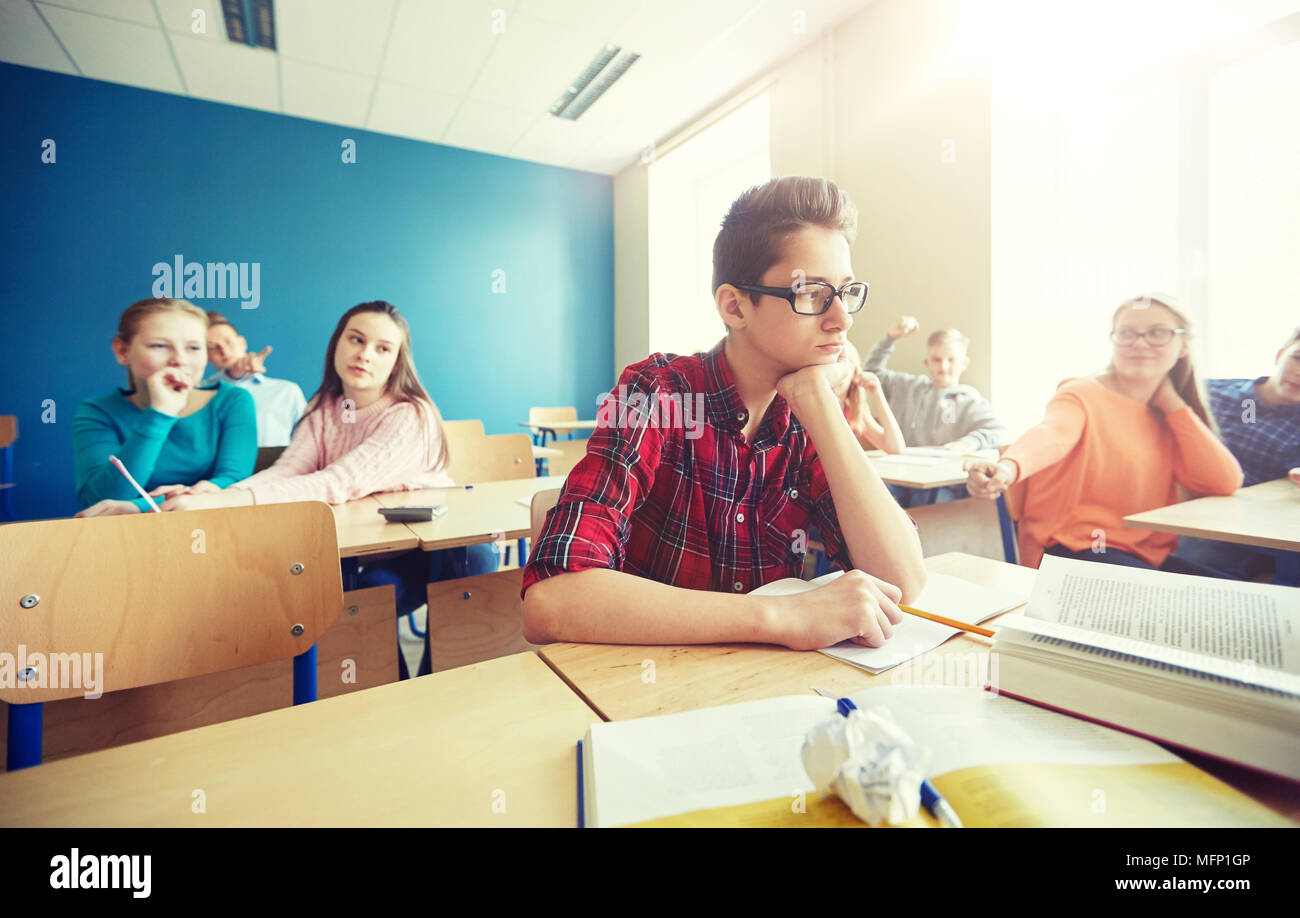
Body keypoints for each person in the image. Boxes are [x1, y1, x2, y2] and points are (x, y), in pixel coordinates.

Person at [521, 176, 927, 652]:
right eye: (813, 294)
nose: (843, 320)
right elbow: (551, 600)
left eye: (846, 292)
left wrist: (822, 405)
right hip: (640, 686)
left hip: (760, 689)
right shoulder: (657, 395)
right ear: (735, 306)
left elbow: (903, 581)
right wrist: (780, 616)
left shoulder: (807, 414)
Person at [161, 301, 497, 677]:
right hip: (368, 549)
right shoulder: (324, 406)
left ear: (396, 361)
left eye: (382, 348)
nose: (364, 354)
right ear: (337, 343)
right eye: (356, 339)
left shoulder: (409, 413)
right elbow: (288, 470)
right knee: (358, 595)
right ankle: (392, 691)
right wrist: (213, 496)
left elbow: (339, 481)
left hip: (433, 553)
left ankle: (445, 684)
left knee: (466, 566)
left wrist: (228, 500)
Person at [964, 296, 1243, 574]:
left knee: (1240, 604)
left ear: (1183, 346)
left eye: (1157, 333)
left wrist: (1174, 405)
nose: (1140, 342)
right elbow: (1053, 434)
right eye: (1127, 333)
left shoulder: (1169, 418)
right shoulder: (1081, 393)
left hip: (1143, 556)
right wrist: (1008, 468)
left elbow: (1224, 481)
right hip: (1070, 550)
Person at [73, 298, 257, 516]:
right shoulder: (97, 412)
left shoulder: (233, 400)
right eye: (159, 346)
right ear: (122, 350)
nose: (179, 360)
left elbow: (234, 484)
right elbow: (102, 504)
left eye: (194, 347)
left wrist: (139, 506)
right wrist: (160, 414)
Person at [1171, 326, 1300, 578]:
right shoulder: (1211, 393)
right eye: (1297, 358)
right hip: (1181, 509)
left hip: (1249, 526)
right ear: (1280, 355)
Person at [862, 317, 1010, 506]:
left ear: (964, 363)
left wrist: (966, 443)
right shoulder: (906, 387)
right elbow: (870, 372)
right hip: (900, 476)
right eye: (937, 360)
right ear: (927, 362)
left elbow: (999, 431)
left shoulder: (969, 400)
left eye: (951, 360)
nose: (943, 366)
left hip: (937, 486)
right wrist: (890, 338)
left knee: (930, 503)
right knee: (875, 496)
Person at [204, 313, 307, 448]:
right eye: (212, 347)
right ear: (206, 355)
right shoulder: (200, 392)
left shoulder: (287, 391)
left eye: (228, 341)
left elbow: (307, 444)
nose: (223, 350)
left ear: (242, 343)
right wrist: (234, 375)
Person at [833, 340, 905, 453]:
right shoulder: (815, 404)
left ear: (855, 373)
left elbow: (895, 448)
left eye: (842, 366)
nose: (835, 374)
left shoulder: (853, 409)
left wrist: (877, 393)